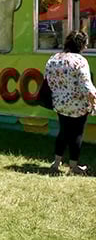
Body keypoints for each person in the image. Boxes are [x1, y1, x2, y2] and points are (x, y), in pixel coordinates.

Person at [44, 30, 96, 175]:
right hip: (78, 104)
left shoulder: (54, 58)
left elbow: (47, 80)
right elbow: (87, 87)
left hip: (59, 103)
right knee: (77, 134)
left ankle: (56, 162)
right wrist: (93, 102)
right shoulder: (80, 60)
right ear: (82, 45)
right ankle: (74, 166)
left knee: (63, 131)